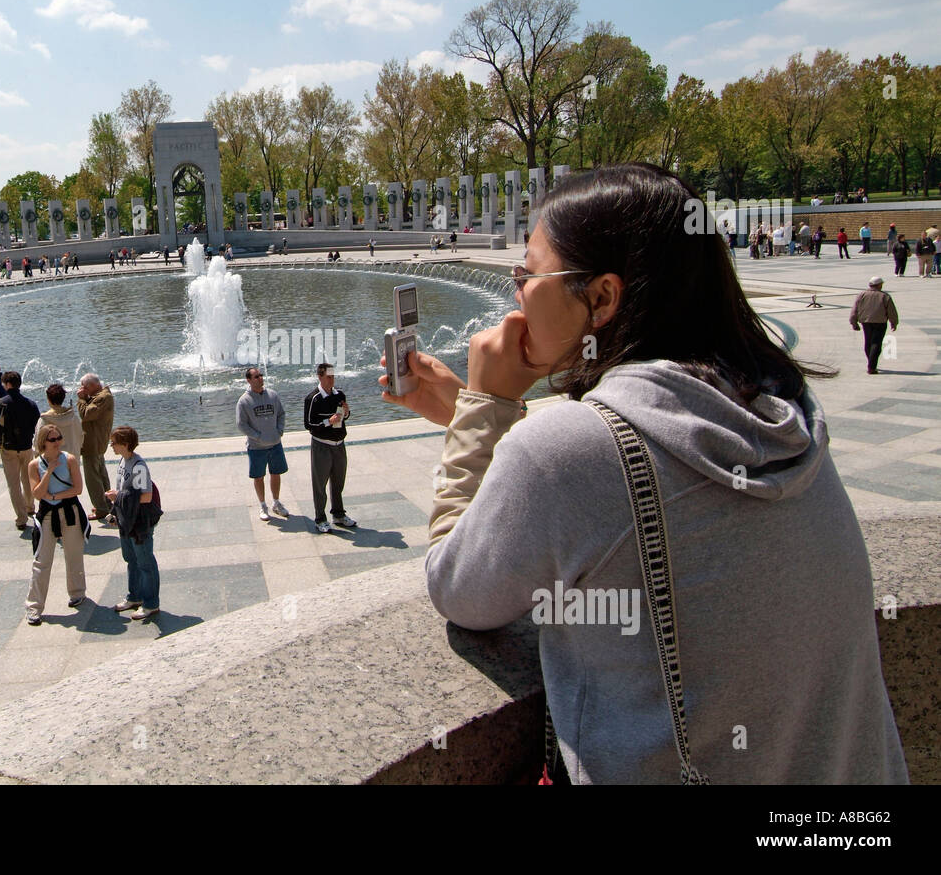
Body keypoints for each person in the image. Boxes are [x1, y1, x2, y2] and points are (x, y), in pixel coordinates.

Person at [382, 162, 907, 784]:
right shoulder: (783, 407)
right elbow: (640, 464)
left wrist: (488, 407)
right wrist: (467, 414)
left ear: (602, 297)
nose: (515, 293)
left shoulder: (567, 455)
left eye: (528, 273)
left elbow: (456, 586)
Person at [25, 423, 88, 624]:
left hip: (69, 511)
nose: (57, 443)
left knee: (74, 554)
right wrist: (50, 471)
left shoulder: (69, 460)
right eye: (52, 439)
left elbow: (78, 489)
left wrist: (55, 495)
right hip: (46, 515)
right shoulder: (34, 465)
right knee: (41, 561)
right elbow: (37, 494)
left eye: (59, 438)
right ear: (43, 442)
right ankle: (34, 606)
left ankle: (77, 592)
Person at [106, 425, 160, 621]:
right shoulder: (123, 460)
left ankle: (151, 603)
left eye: (114, 443)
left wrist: (117, 496)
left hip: (139, 520)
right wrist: (115, 509)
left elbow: (146, 496)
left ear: (125, 444)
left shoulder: (138, 465)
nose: (111, 446)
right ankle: (135, 596)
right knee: (131, 559)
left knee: (145, 562)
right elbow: (124, 489)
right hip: (126, 518)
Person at [304, 362, 355, 533]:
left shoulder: (339, 394)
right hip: (322, 446)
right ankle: (320, 518)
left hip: (339, 445)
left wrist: (346, 412)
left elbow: (343, 418)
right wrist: (328, 422)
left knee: (338, 481)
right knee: (320, 484)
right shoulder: (313, 398)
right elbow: (309, 424)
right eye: (329, 377)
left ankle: (339, 514)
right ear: (320, 376)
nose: (332, 380)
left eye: (333, 376)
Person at [0, 371, 41, 529]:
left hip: (8, 447)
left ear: (7, 384)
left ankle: (21, 517)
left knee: (14, 484)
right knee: (28, 479)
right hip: (26, 446)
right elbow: (37, 426)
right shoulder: (30, 403)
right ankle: (30, 507)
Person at [236, 368, 288, 521]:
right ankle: (263, 505)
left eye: (261, 376)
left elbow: (281, 414)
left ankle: (276, 503)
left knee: (276, 473)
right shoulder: (244, 401)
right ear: (249, 380)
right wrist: (257, 436)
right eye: (256, 377)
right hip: (256, 447)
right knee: (258, 477)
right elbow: (241, 424)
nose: (260, 378)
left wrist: (279, 431)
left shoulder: (272, 395)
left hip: (275, 443)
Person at [76, 373, 115, 521]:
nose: (83, 390)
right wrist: (85, 398)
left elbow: (86, 414)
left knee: (93, 477)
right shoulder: (101, 396)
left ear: (94, 385)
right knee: (100, 473)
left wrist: (81, 400)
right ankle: (106, 503)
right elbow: (91, 408)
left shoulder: (104, 397)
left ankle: (101, 509)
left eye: (85, 387)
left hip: (94, 442)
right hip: (96, 441)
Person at [850, 276, 899, 375]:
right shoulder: (884, 296)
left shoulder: (862, 295)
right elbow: (891, 311)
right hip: (880, 322)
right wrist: (894, 322)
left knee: (868, 342)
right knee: (876, 343)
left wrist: (853, 321)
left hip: (866, 322)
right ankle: (871, 366)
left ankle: (871, 362)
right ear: (879, 285)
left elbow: (855, 309)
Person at [34, 383, 83, 458]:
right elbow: (80, 438)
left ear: (48, 399)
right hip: (72, 459)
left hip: (52, 462)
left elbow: (38, 443)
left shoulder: (44, 419)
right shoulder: (73, 417)